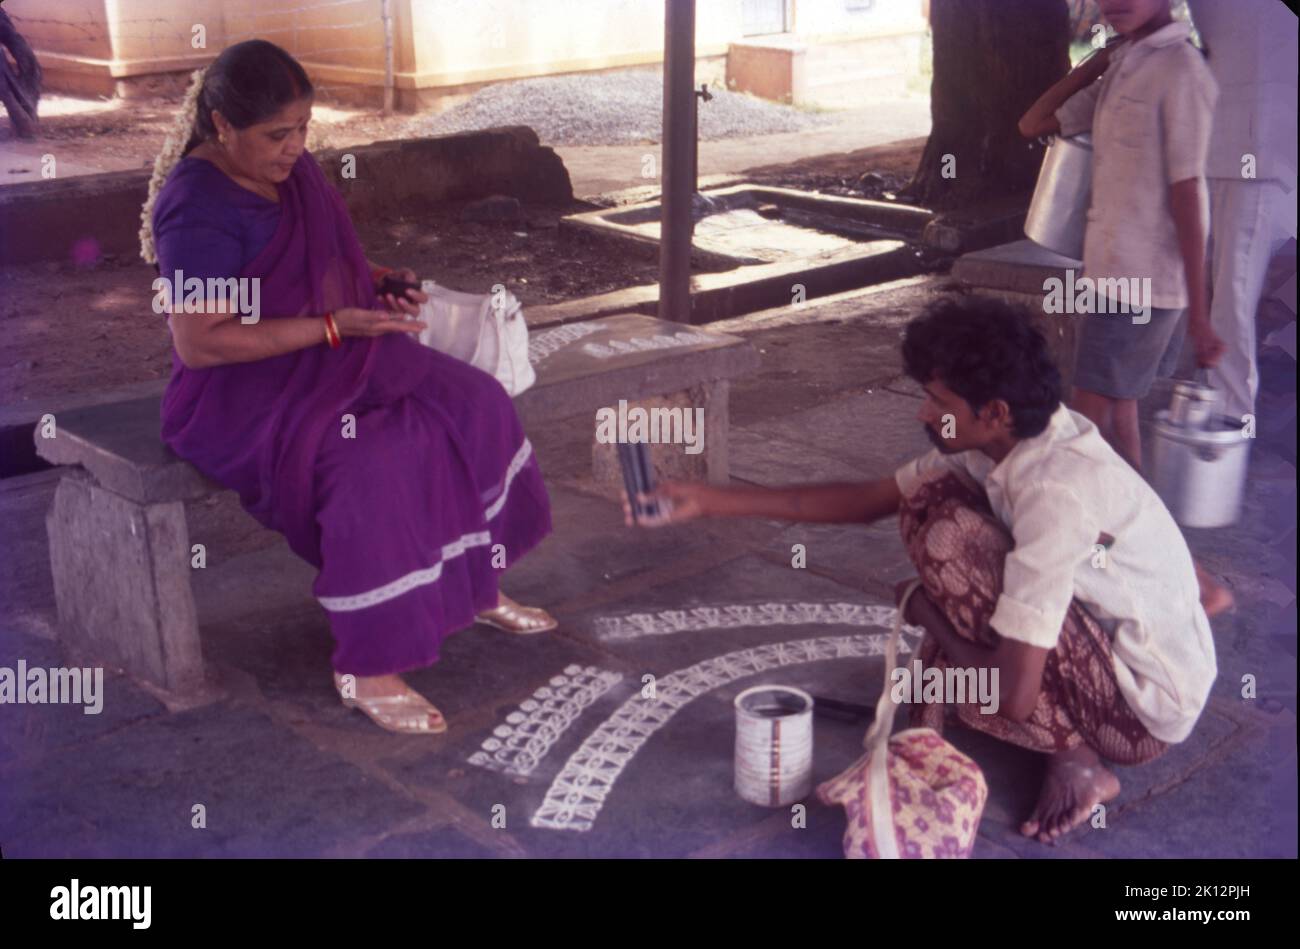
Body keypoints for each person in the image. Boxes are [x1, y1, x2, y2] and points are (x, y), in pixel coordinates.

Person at [626, 296, 1218, 844]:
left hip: (1144, 717)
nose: (923, 411)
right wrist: (708, 500)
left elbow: (1012, 696)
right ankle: (990, 692)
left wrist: (927, 613)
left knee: (951, 538)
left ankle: (1081, 764)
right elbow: (869, 500)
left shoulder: (1053, 491)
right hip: (1116, 642)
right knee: (929, 499)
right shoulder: (1009, 441)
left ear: (994, 411)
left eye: (938, 401)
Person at [139, 40, 556, 736]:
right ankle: (368, 661)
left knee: (472, 404)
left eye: (304, 128)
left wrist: (379, 279)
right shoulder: (196, 206)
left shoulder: (290, 174)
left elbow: (326, 259)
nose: (295, 148)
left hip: (328, 353)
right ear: (220, 125)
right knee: (377, 458)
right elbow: (201, 340)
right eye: (277, 134)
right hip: (243, 392)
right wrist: (332, 325)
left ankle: (474, 584)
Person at [1018, 0, 1232, 614]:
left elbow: (1190, 193)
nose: (1114, 1)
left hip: (1141, 285)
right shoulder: (1126, 64)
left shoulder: (1182, 72)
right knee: (1120, 435)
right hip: (1108, 275)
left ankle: (1182, 576)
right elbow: (1033, 123)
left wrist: (1200, 309)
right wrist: (1095, 63)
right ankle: (1173, 573)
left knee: (1083, 433)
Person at [1185, 0, 1298, 425]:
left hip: (1260, 150)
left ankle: (1233, 417)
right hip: (1214, 141)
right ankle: (1210, 394)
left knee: (1233, 286)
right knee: (1215, 282)